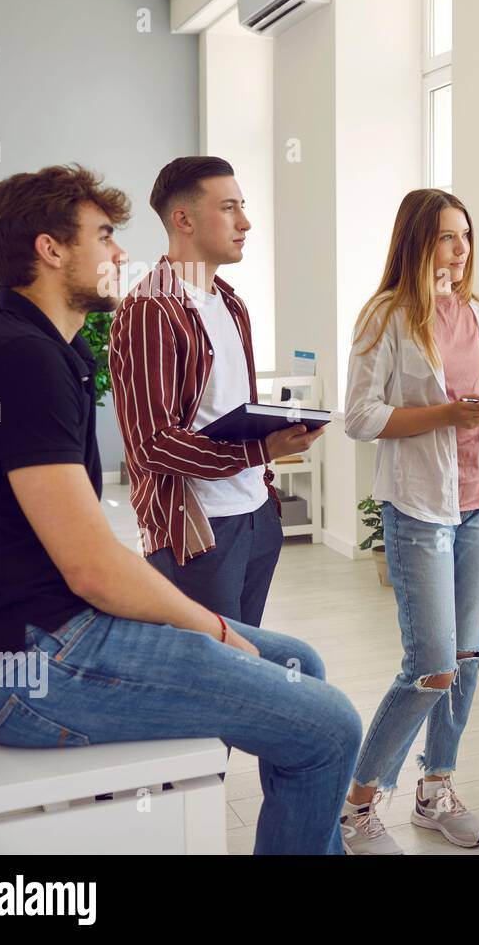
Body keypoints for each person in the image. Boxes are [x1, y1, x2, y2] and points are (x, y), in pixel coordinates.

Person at [0, 165, 361, 854]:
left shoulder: (52, 350)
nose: (119, 255)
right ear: (50, 249)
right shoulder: (19, 359)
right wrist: (216, 632)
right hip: (34, 665)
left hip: (54, 635)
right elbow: (92, 568)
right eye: (105, 236)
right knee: (332, 726)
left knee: (302, 662)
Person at [341, 189, 479, 854]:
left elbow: (470, 401)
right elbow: (359, 415)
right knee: (431, 666)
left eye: (465, 236)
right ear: (418, 240)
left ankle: (435, 790)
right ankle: (358, 805)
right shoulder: (385, 315)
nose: (461, 249)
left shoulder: (473, 311)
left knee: (469, 659)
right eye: (448, 236)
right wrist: (449, 415)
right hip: (419, 505)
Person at [109, 156, 321, 628]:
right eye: (229, 208)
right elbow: (152, 445)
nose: (245, 222)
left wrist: (273, 436)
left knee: (246, 664)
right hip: (196, 527)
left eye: (242, 206)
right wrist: (260, 449)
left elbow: (230, 408)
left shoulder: (231, 304)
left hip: (255, 514)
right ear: (183, 219)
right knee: (208, 679)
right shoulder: (149, 310)